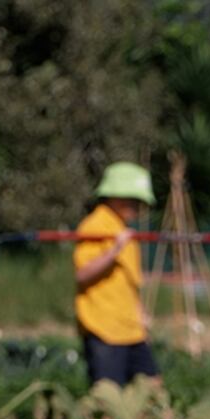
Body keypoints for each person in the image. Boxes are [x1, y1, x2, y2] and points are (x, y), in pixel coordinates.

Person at [73, 161, 159, 385]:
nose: (138, 209)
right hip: (104, 328)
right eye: (136, 203)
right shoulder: (95, 225)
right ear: (118, 198)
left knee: (152, 388)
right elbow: (83, 274)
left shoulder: (123, 230)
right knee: (109, 396)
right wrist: (114, 250)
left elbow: (129, 281)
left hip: (130, 328)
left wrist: (140, 314)